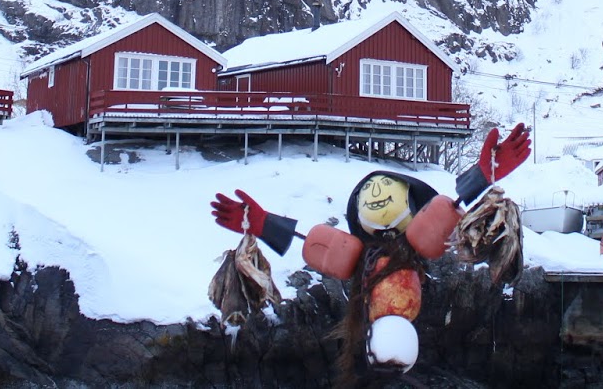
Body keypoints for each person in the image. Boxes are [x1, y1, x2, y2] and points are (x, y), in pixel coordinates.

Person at [210, 123, 530, 378]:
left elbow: (309, 240)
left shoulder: (374, 252)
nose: (378, 195)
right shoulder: (396, 246)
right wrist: (483, 175)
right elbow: (450, 209)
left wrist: (265, 224)